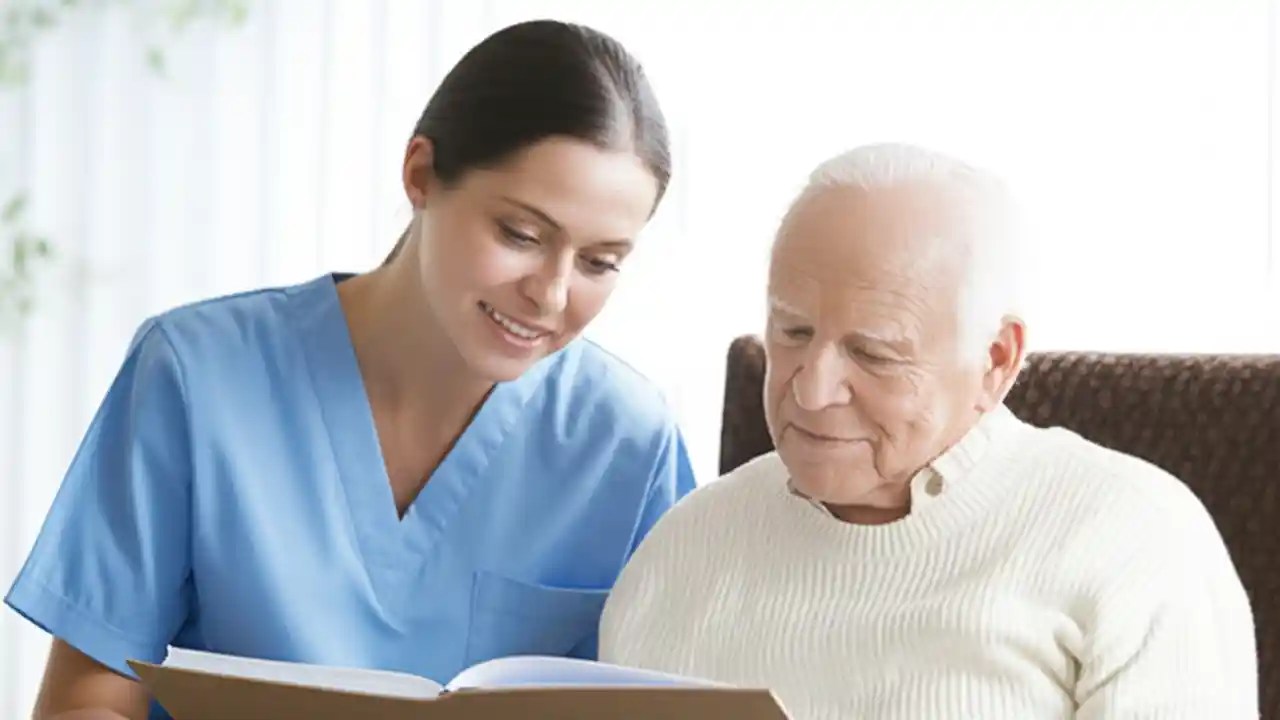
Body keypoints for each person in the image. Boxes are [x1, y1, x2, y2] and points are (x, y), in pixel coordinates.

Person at [6, 19, 696, 720]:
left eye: (600, 262)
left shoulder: (629, 445)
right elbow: (88, 701)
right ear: (421, 174)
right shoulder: (194, 377)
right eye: (520, 234)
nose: (550, 293)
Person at [599, 143, 1258, 719]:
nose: (812, 388)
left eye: (875, 353)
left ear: (997, 359)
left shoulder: (1134, 538)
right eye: (794, 332)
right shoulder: (682, 552)